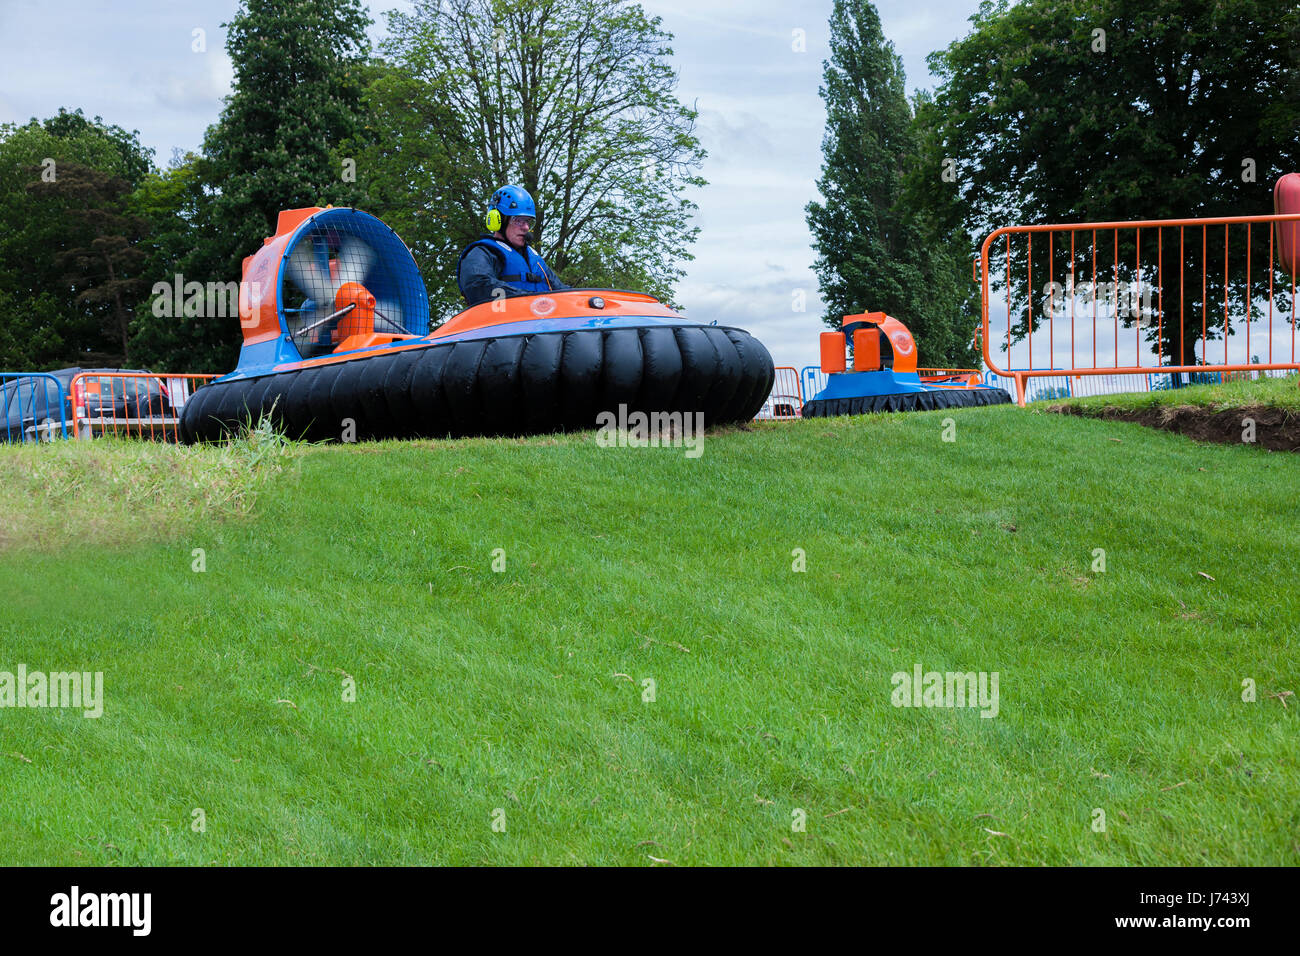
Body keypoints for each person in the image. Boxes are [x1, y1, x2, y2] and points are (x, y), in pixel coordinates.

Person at [456, 184, 568, 307]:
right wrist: (530, 300)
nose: (526, 227)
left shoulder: (535, 259)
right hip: (504, 324)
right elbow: (477, 286)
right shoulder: (483, 253)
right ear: (498, 220)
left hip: (542, 324)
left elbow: (563, 293)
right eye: (518, 220)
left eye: (528, 221)